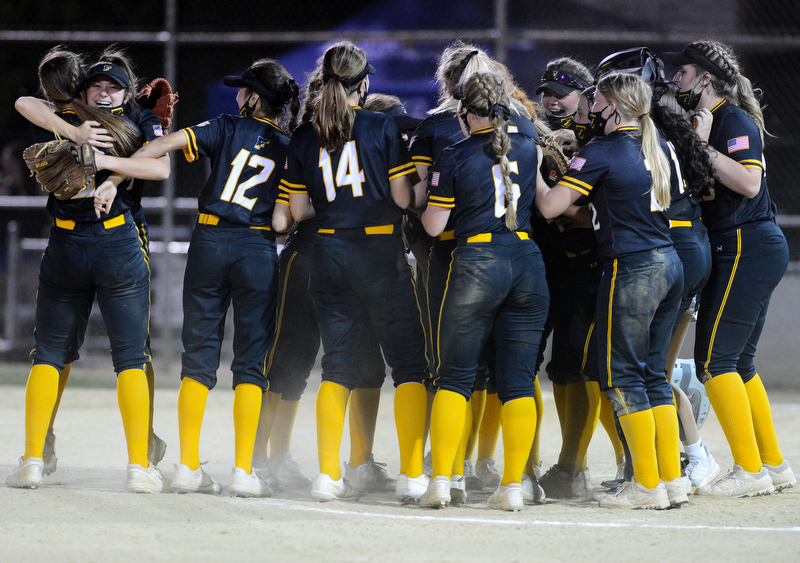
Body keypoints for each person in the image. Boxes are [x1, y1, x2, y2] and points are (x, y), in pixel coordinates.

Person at [103, 58, 300, 497]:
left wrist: (114, 178)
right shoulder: (289, 145)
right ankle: (243, 471)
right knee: (251, 363)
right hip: (256, 247)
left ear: (253, 98)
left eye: (242, 90)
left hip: (211, 243)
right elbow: (285, 222)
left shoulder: (228, 125)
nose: (236, 96)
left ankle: (188, 466)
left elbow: (161, 147)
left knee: (198, 358)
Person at [6, 47, 164, 493]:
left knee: (50, 353)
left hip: (66, 243)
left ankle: (33, 458)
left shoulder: (87, 114)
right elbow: (161, 164)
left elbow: (25, 104)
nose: (104, 91)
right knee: (131, 355)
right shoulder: (129, 119)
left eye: (111, 86)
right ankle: (138, 465)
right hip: (116, 243)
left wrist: (101, 164)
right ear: (85, 89)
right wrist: (75, 133)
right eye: (98, 85)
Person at [279, 41, 429, 503]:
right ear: (364, 84)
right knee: (408, 365)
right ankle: (411, 474)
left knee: (337, 368)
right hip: (378, 252)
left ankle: (328, 476)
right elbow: (406, 201)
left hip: (327, 252)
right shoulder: (381, 125)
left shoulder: (305, 133)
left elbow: (299, 209)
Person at [537, 70, 687, 509]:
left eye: (597, 101)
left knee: (621, 376)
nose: (591, 108)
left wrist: (530, 164)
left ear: (613, 105)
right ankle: (669, 479)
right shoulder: (662, 145)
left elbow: (550, 208)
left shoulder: (603, 149)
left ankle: (644, 484)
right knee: (653, 377)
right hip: (669, 261)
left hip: (632, 267)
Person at [664, 40, 795, 496]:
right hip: (747, 243)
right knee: (739, 362)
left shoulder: (731, 118)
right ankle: (773, 465)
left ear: (703, 77)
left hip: (744, 243)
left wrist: (702, 145)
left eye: (681, 73)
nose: (674, 80)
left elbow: (748, 179)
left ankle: (749, 472)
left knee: (714, 363)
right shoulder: (707, 118)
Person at [418, 69, 549, 512]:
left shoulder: (455, 153)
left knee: (454, 377)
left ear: (464, 113)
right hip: (527, 262)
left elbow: (435, 226)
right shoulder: (530, 148)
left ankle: (441, 481)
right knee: (516, 382)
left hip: (477, 261)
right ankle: (514, 485)